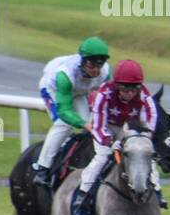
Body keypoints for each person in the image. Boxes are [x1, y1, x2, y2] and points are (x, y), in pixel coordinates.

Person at [71, 60, 165, 215]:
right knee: (101, 158)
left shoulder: (144, 96)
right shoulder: (104, 93)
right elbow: (98, 125)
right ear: (116, 85)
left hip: (130, 129)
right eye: (124, 89)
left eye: (133, 89)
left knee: (145, 157)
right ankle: (82, 195)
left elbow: (149, 123)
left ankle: (157, 191)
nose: (129, 93)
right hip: (106, 126)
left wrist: (142, 141)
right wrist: (110, 143)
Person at [32, 37, 111, 187]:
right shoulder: (65, 75)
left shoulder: (105, 73)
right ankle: (42, 168)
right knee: (63, 124)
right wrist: (83, 123)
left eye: (99, 65)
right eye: (91, 64)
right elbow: (64, 110)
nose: (95, 70)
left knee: (91, 126)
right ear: (82, 61)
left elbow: (108, 99)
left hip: (79, 92)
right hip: (55, 90)